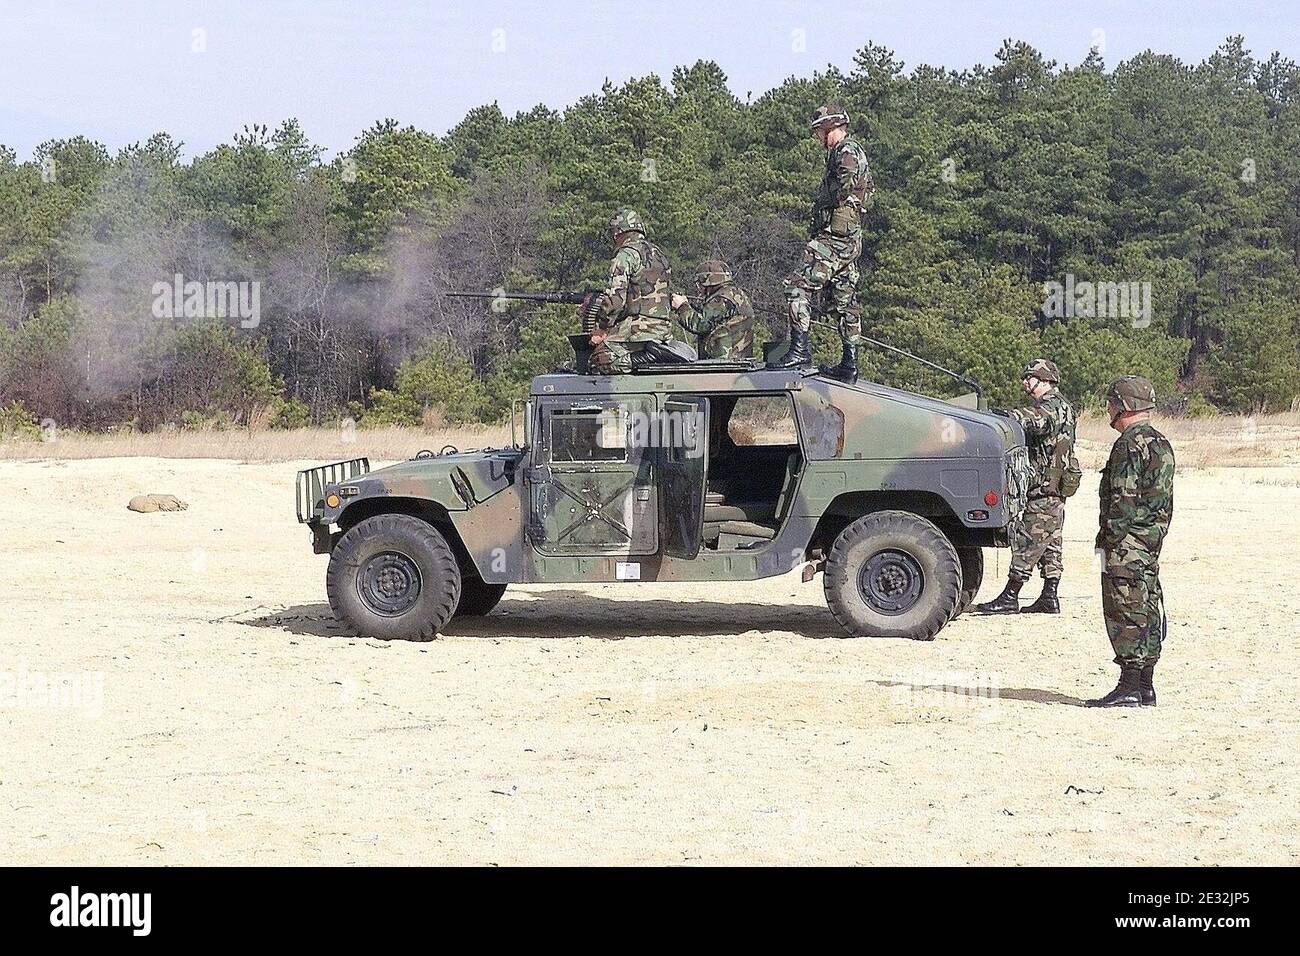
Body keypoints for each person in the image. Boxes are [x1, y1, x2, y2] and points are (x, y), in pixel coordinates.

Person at [769, 104, 874, 382]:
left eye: (819, 132)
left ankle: (799, 349)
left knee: (796, 286)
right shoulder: (847, 151)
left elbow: (846, 183)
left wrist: (829, 202)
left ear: (831, 128)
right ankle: (849, 365)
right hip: (848, 239)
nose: (817, 138)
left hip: (835, 238)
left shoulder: (846, 151)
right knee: (844, 302)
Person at [1087, 376, 1175, 708]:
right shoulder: (1160, 442)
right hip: (1149, 544)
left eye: (1111, 402)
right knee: (1147, 609)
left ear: (1124, 406)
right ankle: (1145, 687)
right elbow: (1165, 502)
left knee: (1125, 612)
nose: (1108, 408)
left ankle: (1129, 687)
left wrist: (1108, 539)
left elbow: (1122, 500)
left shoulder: (1129, 444)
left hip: (1125, 544)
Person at [977, 359, 1078, 614]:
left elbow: (1033, 420)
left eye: (1029, 378)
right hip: (1055, 486)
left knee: (1029, 540)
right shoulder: (1066, 406)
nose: (1025, 383)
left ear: (1043, 380)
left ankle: (1010, 596)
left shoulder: (1051, 408)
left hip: (1044, 487)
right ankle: (1049, 596)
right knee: (1051, 541)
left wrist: (1001, 416)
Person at [587, 208, 675, 375]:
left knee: (599, 360)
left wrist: (603, 328)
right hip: (663, 329)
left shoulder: (625, 255)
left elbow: (615, 298)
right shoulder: (659, 254)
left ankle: (651, 357)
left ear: (617, 233)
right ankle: (654, 354)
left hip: (638, 329)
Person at [669, 259, 755, 360]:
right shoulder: (733, 294)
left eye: (699, 282)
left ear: (707, 280)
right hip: (736, 358)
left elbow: (700, 325)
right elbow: (712, 318)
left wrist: (681, 306)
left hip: (725, 362)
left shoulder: (721, 299)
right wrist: (689, 306)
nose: (698, 287)